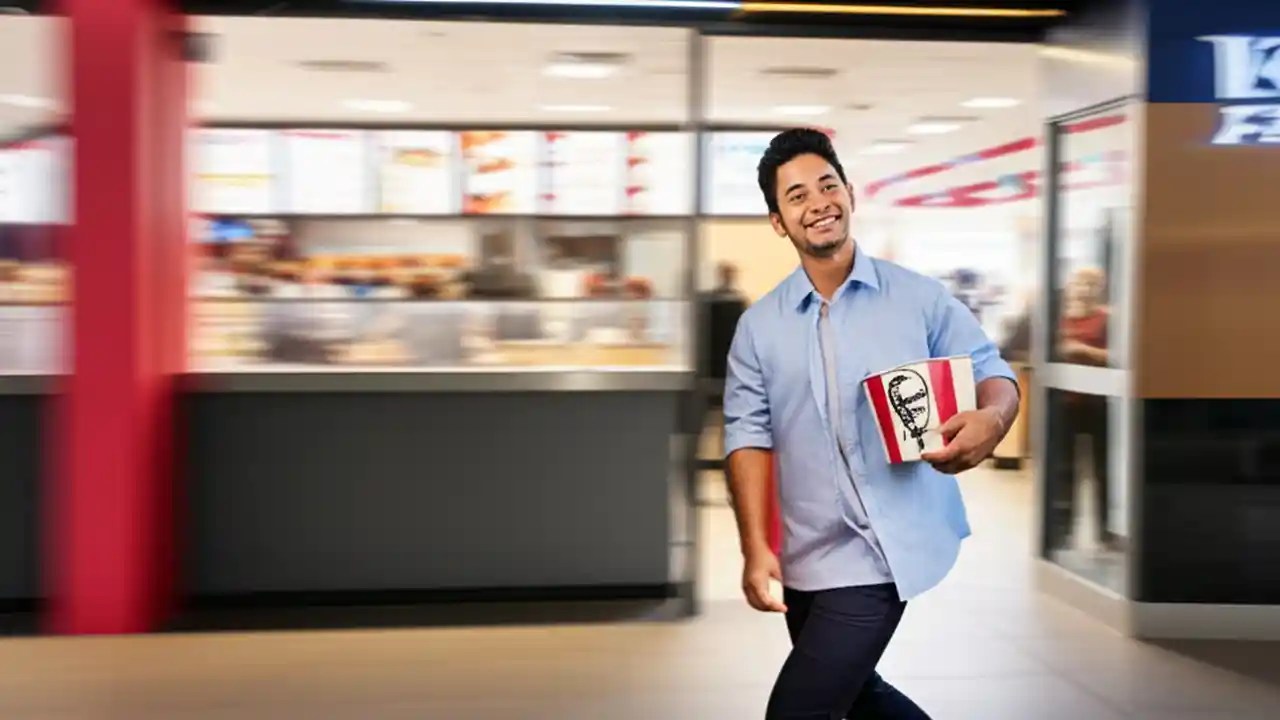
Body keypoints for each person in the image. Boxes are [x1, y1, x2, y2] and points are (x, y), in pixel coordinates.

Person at [722, 129, 1020, 720]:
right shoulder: (759, 327)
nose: (819, 203)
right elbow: (747, 437)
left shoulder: (920, 299)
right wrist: (756, 548)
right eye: (798, 196)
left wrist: (992, 418)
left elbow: (993, 371)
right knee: (860, 696)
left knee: (797, 713)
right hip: (807, 553)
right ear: (779, 221)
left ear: (851, 193)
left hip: (885, 548)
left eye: (828, 185)